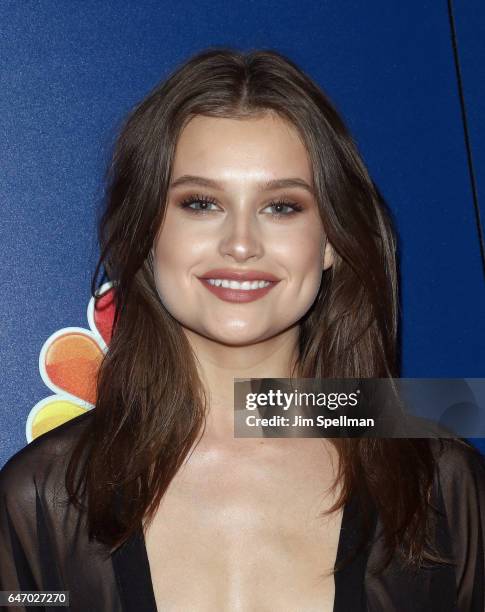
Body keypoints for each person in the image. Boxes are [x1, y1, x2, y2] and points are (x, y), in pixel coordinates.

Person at [0, 47, 484, 612]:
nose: (240, 244)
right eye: (201, 203)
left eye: (281, 207)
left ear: (330, 241)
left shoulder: (440, 485)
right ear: (147, 233)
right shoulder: (41, 498)